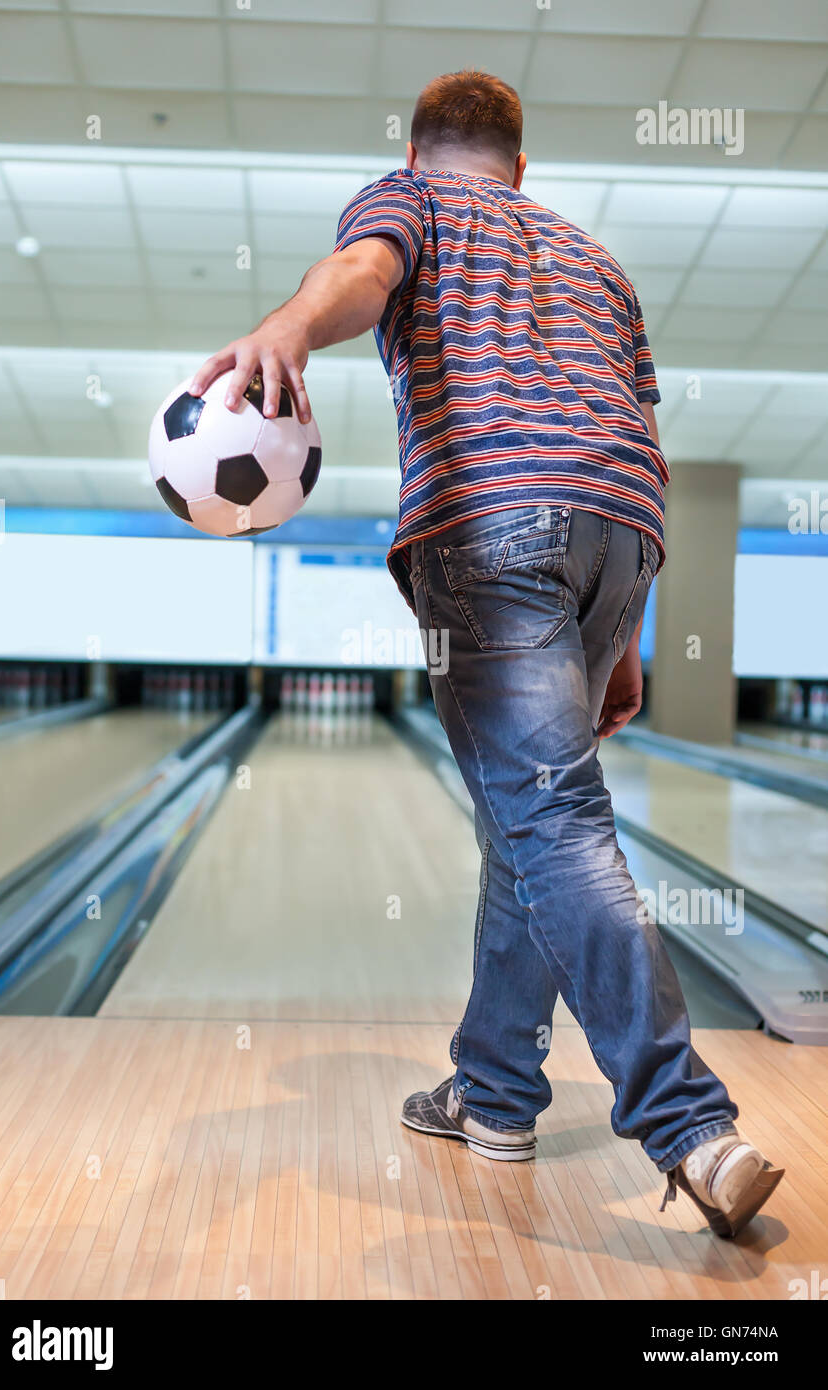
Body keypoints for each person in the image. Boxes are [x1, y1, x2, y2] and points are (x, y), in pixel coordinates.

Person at [190, 69, 783, 1239]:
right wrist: (622, 631)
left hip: (491, 526)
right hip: (620, 535)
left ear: (415, 158)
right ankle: (498, 1093)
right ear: (520, 168)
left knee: (549, 821)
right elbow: (642, 446)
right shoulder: (596, 260)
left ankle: (688, 1124)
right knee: (531, 825)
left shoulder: (407, 205)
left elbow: (360, 273)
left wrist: (286, 328)